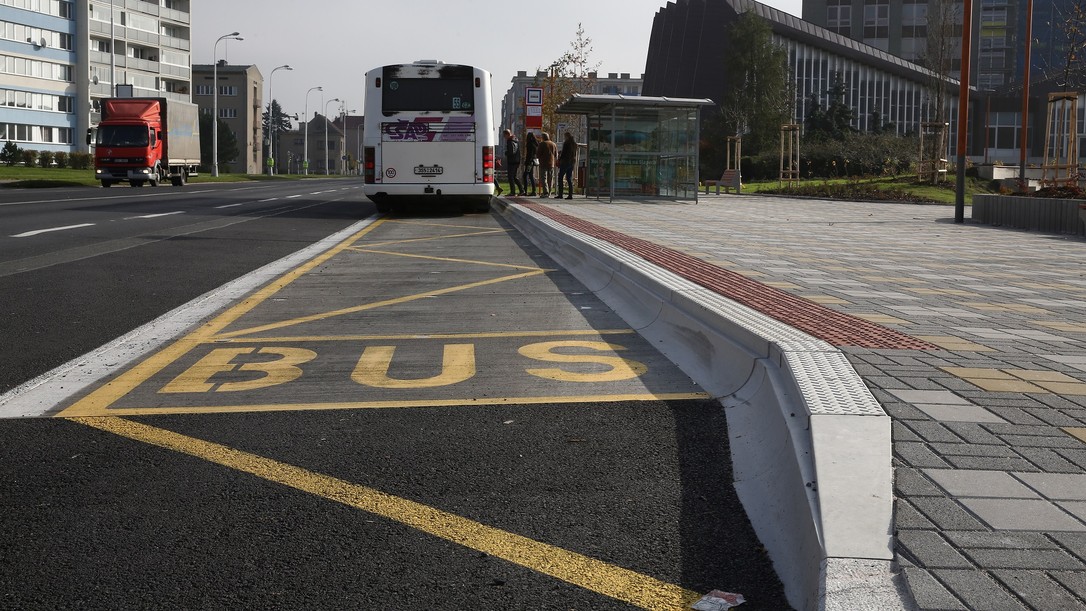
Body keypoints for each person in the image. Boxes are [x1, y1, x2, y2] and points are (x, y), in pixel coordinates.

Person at [536, 132, 558, 197]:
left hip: (543, 163)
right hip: (551, 163)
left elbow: (538, 154)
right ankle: (549, 192)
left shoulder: (542, 144)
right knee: (550, 178)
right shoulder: (553, 144)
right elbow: (556, 154)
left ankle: (545, 192)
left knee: (543, 178)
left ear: (543, 137)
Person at [502, 129, 522, 196]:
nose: (504, 137)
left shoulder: (510, 141)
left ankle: (513, 192)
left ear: (507, 134)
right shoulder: (516, 140)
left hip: (512, 161)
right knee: (514, 177)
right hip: (516, 161)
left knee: (511, 177)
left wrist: (506, 153)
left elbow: (511, 152)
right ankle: (522, 190)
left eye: (504, 136)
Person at [556, 132, 577, 199]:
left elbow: (564, 153)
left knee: (560, 177)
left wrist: (560, 159)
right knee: (569, 178)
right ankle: (570, 194)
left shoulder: (566, 143)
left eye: (565, 136)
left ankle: (560, 194)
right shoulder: (574, 144)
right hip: (572, 162)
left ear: (566, 136)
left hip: (565, 162)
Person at [521, 132, 538, 196]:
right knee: (530, 175)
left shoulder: (530, 144)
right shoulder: (535, 144)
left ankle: (525, 190)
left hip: (529, 162)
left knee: (525, 175)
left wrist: (527, 162)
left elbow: (529, 155)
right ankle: (533, 190)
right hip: (532, 161)